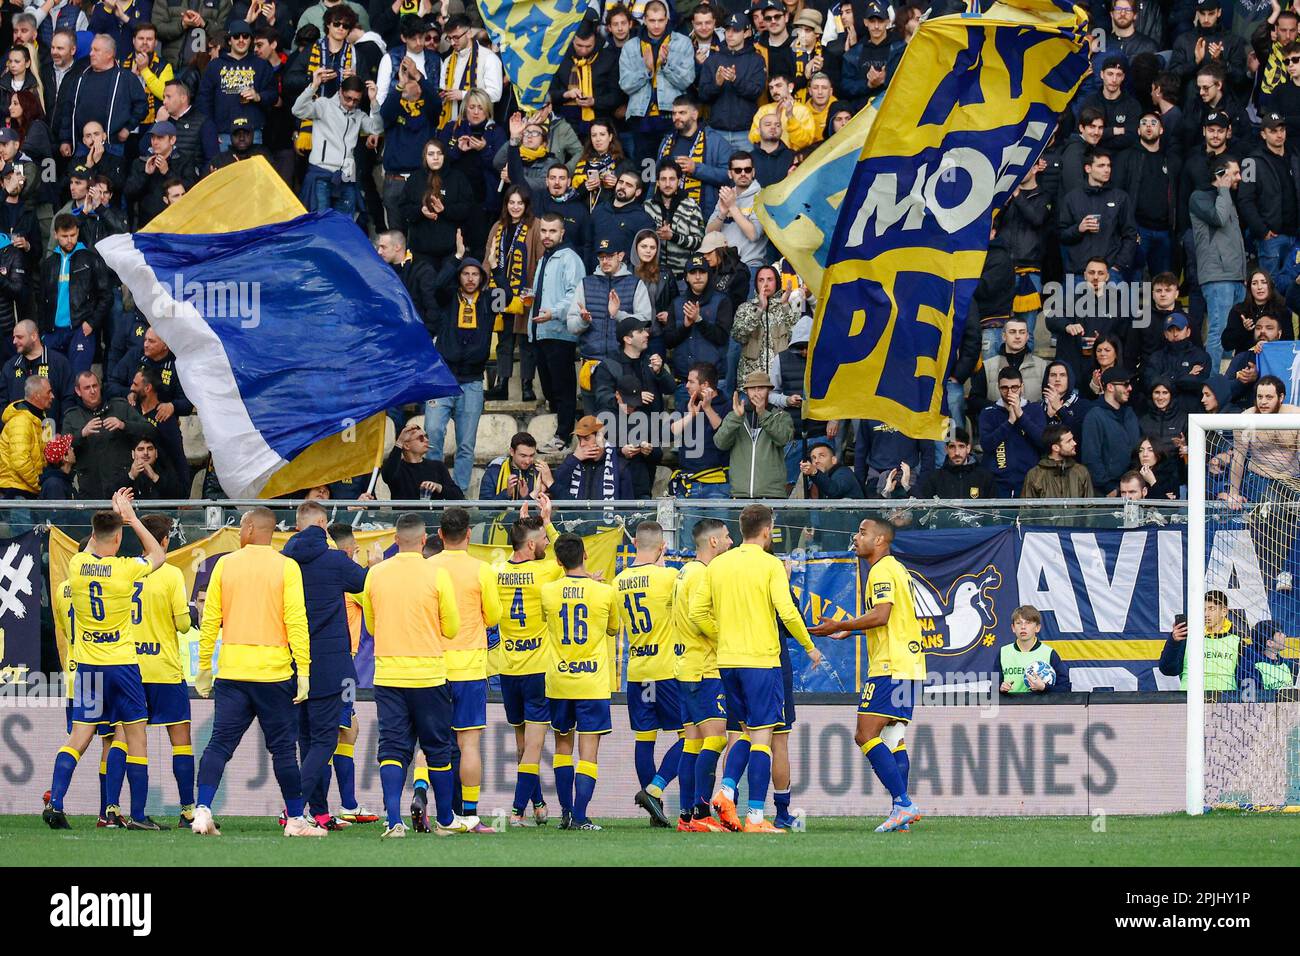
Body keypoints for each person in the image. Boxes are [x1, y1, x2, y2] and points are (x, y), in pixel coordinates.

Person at [690, 503, 821, 833]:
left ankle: (727, 790)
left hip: (728, 663)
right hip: (761, 662)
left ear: (741, 528)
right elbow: (788, 613)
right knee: (764, 738)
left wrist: (724, 636)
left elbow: (697, 612)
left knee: (743, 734)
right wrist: (809, 646)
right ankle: (756, 817)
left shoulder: (718, 565)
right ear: (767, 530)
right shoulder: (770, 564)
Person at [43, 490, 167, 831]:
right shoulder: (124, 569)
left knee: (79, 738)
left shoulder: (76, 565)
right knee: (135, 736)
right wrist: (131, 518)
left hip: (87, 667)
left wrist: (112, 517)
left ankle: (55, 802)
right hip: (122, 666)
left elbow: (91, 545)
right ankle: (138, 815)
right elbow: (158, 554)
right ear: (119, 538)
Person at [190, 507, 315, 837]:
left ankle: (202, 810)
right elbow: (296, 622)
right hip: (273, 675)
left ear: (248, 528)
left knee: (219, 745)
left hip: (232, 672)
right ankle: (296, 820)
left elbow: (210, 620)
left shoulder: (226, 565)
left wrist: (204, 667)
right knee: (284, 751)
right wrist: (303, 669)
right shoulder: (286, 567)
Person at [360, 511, 475, 837]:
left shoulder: (375, 574)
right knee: (438, 748)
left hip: (388, 676)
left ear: (396, 541)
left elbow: (370, 625)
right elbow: (452, 627)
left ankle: (393, 820)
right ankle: (446, 819)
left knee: (393, 748)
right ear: (424, 540)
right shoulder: (436, 574)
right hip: (428, 675)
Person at [807, 516, 922, 831]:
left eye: (862, 532)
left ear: (880, 540)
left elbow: (882, 615)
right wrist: (853, 631)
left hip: (890, 666)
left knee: (864, 735)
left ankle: (903, 804)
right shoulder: (897, 568)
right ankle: (901, 813)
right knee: (893, 738)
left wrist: (840, 624)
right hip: (910, 665)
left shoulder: (882, 570)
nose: (856, 537)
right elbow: (890, 616)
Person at [281, 500, 370, 831]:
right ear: (322, 523)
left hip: (293, 663)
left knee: (306, 739)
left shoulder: (284, 561)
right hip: (331, 664)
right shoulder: (335, 561)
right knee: (326, 740)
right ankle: (294, 807)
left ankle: (317, 813)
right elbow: (364, 582)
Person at [426, 506, 500, 834]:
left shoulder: (427, 568)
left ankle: (423, 801)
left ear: (440, 535)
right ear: (468, 534)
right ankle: (469, 815)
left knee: (430, 742)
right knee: (468, 744)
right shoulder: (481, 570)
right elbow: (495, 616)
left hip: (433, 667)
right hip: (469, 667)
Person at [541, 532, 622, 830]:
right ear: (586, 555)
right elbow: (614, 629)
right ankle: (580, 815)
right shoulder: (605, 592)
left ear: (558, 561)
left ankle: (564, 812)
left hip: (559, 681)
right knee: (589, 752)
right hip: (592, 683)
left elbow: (547, 620)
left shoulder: (548, 592)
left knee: (563, 748)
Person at [493, 498, 561, 827]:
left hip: (508, 669)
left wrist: (526, 526)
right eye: (542, 541)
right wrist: (547, 521)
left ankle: (538, 803)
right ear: (532, 544)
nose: (547, 544)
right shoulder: (544, 570)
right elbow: (568, 554)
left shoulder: (498, 572)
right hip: (537, 669)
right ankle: (518, 811)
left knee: (523, 746)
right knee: (534, 747)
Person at [614, 520, 683, 828]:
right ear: (661, 547)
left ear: (635, 545)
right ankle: (655, 789)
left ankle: (655, 811)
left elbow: (614, 626)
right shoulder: (669, 576)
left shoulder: (619, 580)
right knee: (690, 736)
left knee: (645, 739)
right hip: (666, 670)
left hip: (637, 672)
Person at [671, 517, 731, 831]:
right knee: (717, 739)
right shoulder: (703, 574)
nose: (731, 542)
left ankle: (685, 817)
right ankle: (701, 812)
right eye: (726, 537)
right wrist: (726, 638)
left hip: (684, 667)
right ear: (712, 542)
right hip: (705, 668)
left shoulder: (684, 572)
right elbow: (698, 616)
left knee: (693, 742)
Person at [425, 257, 492, 492]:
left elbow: (507, 295)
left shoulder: (488, 302)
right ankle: (432, 491)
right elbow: (437, 286)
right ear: (459, 277)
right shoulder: (448, 300)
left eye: (475, 274)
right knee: (432, 434)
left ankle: (458, 494)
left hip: (472, 382)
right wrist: (455, 259)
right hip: (442, 379)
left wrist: (493, 267)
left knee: (466, 444)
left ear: (481, 277)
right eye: (466, 274)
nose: (471, 278)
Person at [529, 212, 585, 447]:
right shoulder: (544, 258)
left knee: (563, 388)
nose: (547, 235)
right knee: (550, 389)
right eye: (543, 230)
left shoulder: (569, 258)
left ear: (562, 232)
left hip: (560, 333)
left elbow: (576, 293)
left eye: (552, 231)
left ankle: (563, 435)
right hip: (541, 331)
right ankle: (559, 431)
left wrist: (554, 311)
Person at [292, 72, 382, 215]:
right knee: (321, 223)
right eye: (348, 98)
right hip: (322, 171)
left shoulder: (358, 114)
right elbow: (297, 110)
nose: (351, 103)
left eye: (356, 100)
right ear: (340, 91)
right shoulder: (324, 105)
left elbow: (377, 128)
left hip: (347, 174)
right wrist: (314, 86)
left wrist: (373, 102)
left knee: (345, 224)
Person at [483, 184, 542, 402]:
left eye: (520, 203)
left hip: (524, 291)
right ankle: (502, 383)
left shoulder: (535, 225)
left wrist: (534, 290)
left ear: (526, 205)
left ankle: (527, 384)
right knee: (504, 340)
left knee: (526, 341)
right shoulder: (498, 226)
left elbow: (539, 258)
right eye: (511, 202)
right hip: (500, 291)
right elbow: (488, 258)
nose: (515, 207)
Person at [618, 0, 695, 162]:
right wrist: (647, 69)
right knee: (647, 170)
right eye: (652, 20)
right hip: (641, 117)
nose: (656, 25)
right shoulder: (631, 46)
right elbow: (625, 85)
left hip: (672, 117)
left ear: (667, 19)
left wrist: (665, 64)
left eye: (660, 20)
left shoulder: (683, 42)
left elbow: (686, 81)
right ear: (644, 20)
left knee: (671, 167)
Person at [1189, 156, 1246, 373]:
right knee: (1218, 331)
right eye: (1235, 173)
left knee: (1233, 334)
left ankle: (1228, 383)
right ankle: (1211, 383)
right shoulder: (1199, 197)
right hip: (1217, 276)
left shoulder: (1227, 198)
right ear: (1220, 174)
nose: (1239, 177)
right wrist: (1223, 189)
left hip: (1235, 276)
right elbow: (1219, 219)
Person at [63, 370, 156, 499]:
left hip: (122, 483)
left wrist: (124, 425)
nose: (92, 391)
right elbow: (63, 448)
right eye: (87, 388)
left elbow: (150, 430)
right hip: (89, 487)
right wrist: (82, 433)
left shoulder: (120, 407)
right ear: (78, 391)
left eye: (95, 386)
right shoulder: (72, 416)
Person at [39, 213, 109, 378]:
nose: (69, 240)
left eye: (73, 235)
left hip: (80, 329)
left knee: (78, 380)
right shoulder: (48, 264)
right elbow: (41, 299)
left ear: (78, 232)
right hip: (52, 332)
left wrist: (91, 323)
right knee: (52, 383)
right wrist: (43, 331)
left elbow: (106, 295)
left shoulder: (91, 259)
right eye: (64, 236)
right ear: (55, 234)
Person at [58, 35, 147, 159]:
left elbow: (142, 105)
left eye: (96, 50)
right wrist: (66, 139)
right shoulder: (80, 77)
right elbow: (68, 109)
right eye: (91, 49)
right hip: (82, 146)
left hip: (112, 146)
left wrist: (127, 128)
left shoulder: (125, 78)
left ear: (109, 54)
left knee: (109, 179)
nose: (91, 54)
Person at [715, 370, 793, 499]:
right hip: (740, 494)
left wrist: (763, 413)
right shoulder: (735, 414)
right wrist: (736, 418)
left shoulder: (781, 416)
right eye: (752, 389)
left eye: (761, 388)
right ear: (746, 392)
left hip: (772, 495)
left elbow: (783, 439)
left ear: (769, 390)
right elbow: (720, 443)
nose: (756, 393)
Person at [197, 20, 279, 140]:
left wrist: (258, 96)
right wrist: (211, 130)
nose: (241, 40)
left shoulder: (262, 65)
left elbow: (273, 95)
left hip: (253, 132)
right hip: (223, 134)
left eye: (245, 36)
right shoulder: (215, 65)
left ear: (250, 40)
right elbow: (204, 101)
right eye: (236, 36)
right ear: (229, 41)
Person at [699, 12, 766, 156]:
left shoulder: (756, 60)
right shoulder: (713, 59)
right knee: (717, 177)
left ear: (747, 32)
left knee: (746, 176)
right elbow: (703, 95)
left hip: (746, 132)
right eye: (727, 30)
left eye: (736, 30)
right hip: (717, 132)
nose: (730, 34)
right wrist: (717, 84)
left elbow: (756, 91)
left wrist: (736, 80)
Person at [977, 366, 1046, 498]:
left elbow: (1042, 442)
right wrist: (1009, 422)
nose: (1010, 392)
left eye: (1014, 387)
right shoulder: (988, 413)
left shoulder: (1035, 409)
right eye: (1005, 388)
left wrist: (1020, 415)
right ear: (998, 387)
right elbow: (986, 445)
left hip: (1030, 481)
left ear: (1022, 386)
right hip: (997, 483)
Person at [1158, 589, 1241, 693]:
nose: (1206, 614)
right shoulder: (1187, 638)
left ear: (1224, 611)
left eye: (1211, 609)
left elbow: (1245, 677)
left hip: (1225, 702)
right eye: (1203, 609)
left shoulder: (1237, 640)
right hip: (1188, 700)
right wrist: (1174, 642)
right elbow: (1168, 669)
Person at [435, 14, 503, 131]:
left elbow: (495, 94)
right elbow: (443, 90)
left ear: (469, 33)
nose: (452, 43)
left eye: (456, 37)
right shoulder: (448, 61)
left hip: (480, 128)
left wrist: (462, 95)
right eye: (449, 38)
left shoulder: (489, 58)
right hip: (451, 126)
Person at [1081, 367, 1141, 496]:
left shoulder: (1130, 414)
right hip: (1107, 492)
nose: (1129, 388)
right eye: (1125, 384)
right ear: (1110, 387)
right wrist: (1108, 487)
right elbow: (1091, 457)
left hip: (1132, 488)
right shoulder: (1094, 415)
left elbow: (1136, 450)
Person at [124, 120, 196, 226]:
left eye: (160, 138)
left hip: (178, 223)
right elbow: (129, 194)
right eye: (153, 137)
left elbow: (192, 190)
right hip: (147, 225)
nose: (155, 142)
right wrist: (146, 174)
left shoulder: (185, 160)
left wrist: (167, 172)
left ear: (172, 140)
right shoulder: (140, 162)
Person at [643, 157, 704, 278]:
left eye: (672, 179)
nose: (667, 184)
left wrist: (673, 237)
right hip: (653, 276)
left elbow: (699, 242)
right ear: (658, 182)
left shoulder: (691, 206)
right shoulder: (647, 206)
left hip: (683, 277)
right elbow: (640, 240)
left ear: (679, 181)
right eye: (663, 179)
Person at [551, 414, 634, 501]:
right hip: (577, 514)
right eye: (579, 439)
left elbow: (627, 505)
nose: (582, 444)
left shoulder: (619, 466)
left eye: (587, 439)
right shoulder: (573, 461)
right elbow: (557, 484)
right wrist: (574, 459)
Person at [1143, 312, 1212, 416]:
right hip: (1162, 413)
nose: (1175, 334)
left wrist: (1165, 378)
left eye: (1179, 329)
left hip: (1191, 413)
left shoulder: (1201, 356)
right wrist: (1184, 376)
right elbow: (1151, 383)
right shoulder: (1156, 357)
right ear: (1165, 334)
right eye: (1170, 330)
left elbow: (1197, 383)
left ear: (1188, 332)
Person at [0, 373, 52, 499]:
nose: (52, 396)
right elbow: (20, 462)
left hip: (29, 490)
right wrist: (39, 484)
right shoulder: (20, 422)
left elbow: (47, 456)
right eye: (49, 392)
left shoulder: (44, 421)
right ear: (36, 395)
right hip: (16, 491)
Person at [998, 605, 1070, 694]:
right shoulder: (1003, 652)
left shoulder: (1049, 653)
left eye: (1028, 622)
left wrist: (1044, 687)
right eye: (1018, 623)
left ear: (1037, 628)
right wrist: (1000, 689)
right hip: (1010, 707)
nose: (1023, 627)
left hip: (1039, 707)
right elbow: (993, 689)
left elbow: (1065, 688)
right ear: (1013, 628)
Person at [381, 421, 463, 500]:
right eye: (421, 438)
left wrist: (439, 487)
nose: (426, 440)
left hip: (432, 514)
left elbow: (459, 496)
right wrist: (399, 442)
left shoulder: (438, 466)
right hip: (405, 514)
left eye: (426, 436)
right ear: (406, 445)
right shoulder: (397, 468)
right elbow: (387, 476)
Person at [912, 428, 999, 500]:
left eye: (961, 446)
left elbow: (993, 513)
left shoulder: (985, 477)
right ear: (946, 449)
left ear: (968, 448)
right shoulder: (935, 478)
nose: (957, 452)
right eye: (952, 447)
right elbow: (923, 508)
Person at [1021, 424, 1095, 499]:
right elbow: (1028, 509)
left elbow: (1090, 507)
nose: (1074, 443)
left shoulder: (1081, 471)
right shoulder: (1034, 475)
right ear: (1055, 448)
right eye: (1069, 441)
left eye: (1072, 439)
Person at [479, 431, 553, 501]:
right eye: (523, 456)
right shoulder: (495, 470)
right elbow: (484, 508)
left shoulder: (539, 471)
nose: (527, 461)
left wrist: (525, 497)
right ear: (512, 451)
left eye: (531, 455)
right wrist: (507, 494)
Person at [798, 437, 864, 498]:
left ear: (834, 460)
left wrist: (814, 472)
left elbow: (835, 491)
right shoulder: (822, 477)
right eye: (814, 458)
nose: (816, 461)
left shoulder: (844, 473)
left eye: (821, 456)